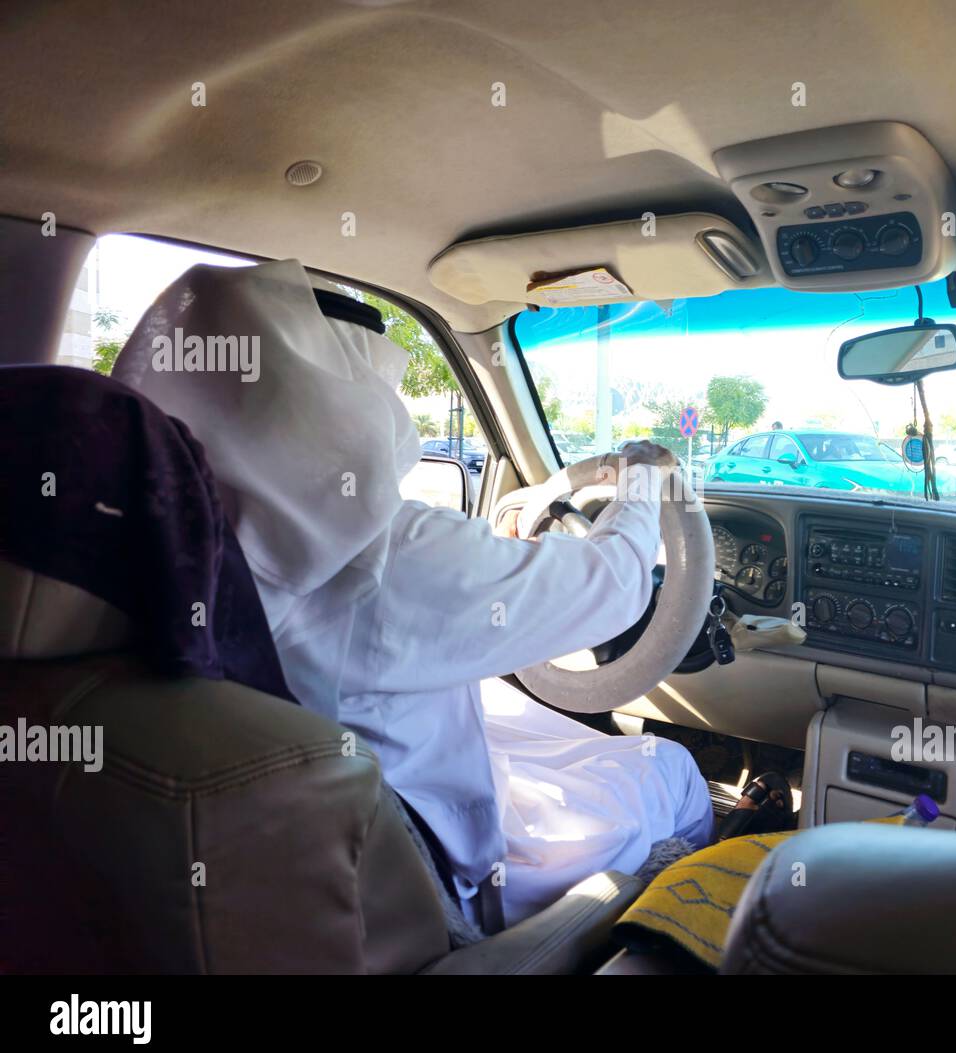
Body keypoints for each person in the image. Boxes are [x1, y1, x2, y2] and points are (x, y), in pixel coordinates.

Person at [112, 259, 713, 929]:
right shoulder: (385, 548)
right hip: (433, 879)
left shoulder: (145, 542)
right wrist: (644, 479)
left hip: (284, 857)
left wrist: (500, 548)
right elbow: (619, 585)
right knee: (675, 768)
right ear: (337, 390)